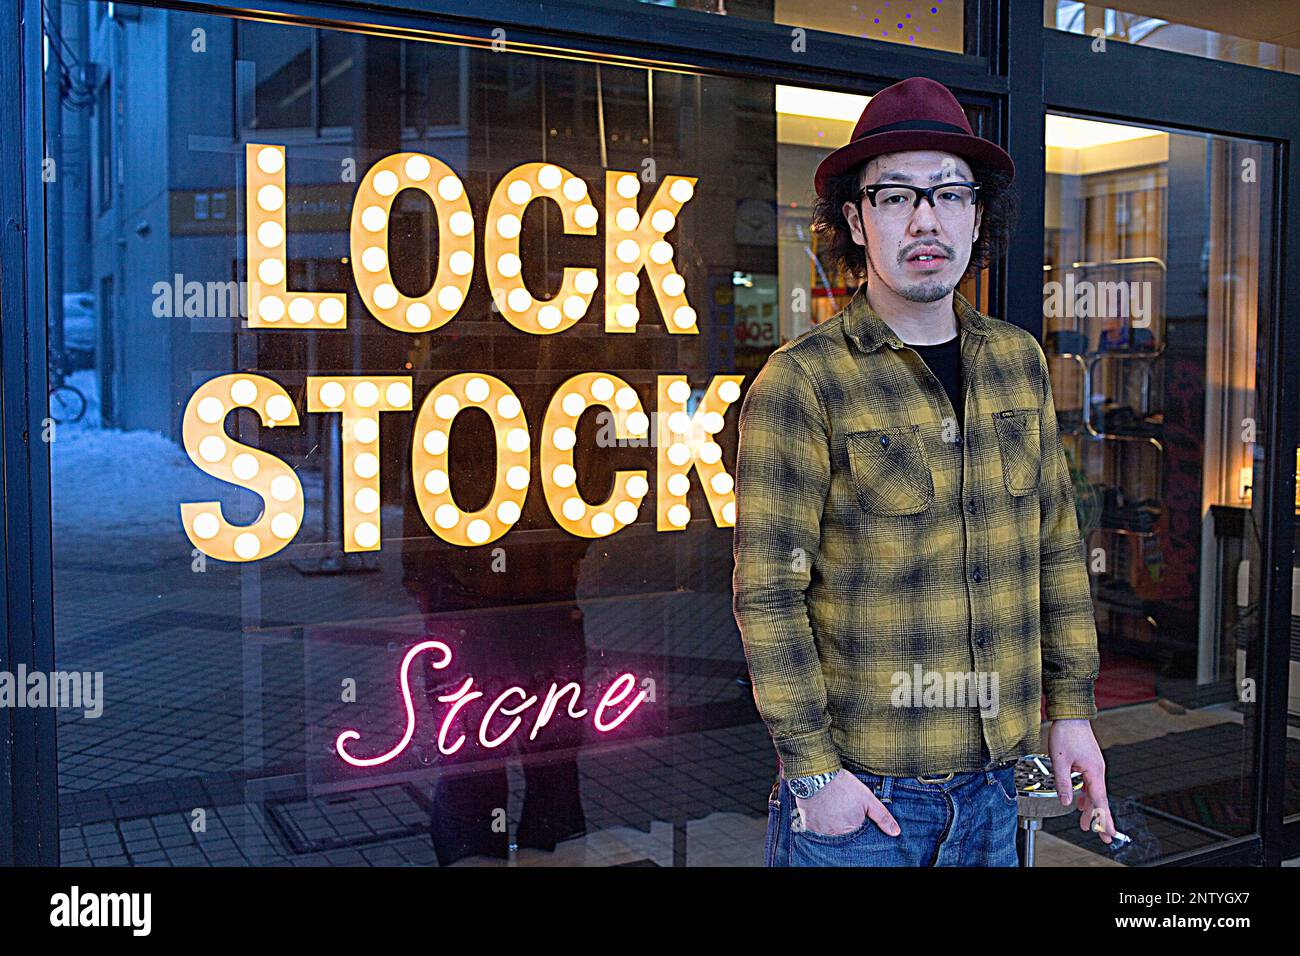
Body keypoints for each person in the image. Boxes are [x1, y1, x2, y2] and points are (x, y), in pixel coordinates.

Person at [732, 76, 1118, 866]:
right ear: (855, 219)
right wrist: (814, 774)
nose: (925, 219)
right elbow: (768, 591)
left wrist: (1072, 709)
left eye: (949, 194)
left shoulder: (1019, 363)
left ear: (978, 216)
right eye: (895, 195)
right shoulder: (801, 382)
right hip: (865, 801)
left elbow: (1054, 547)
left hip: (994, 793)